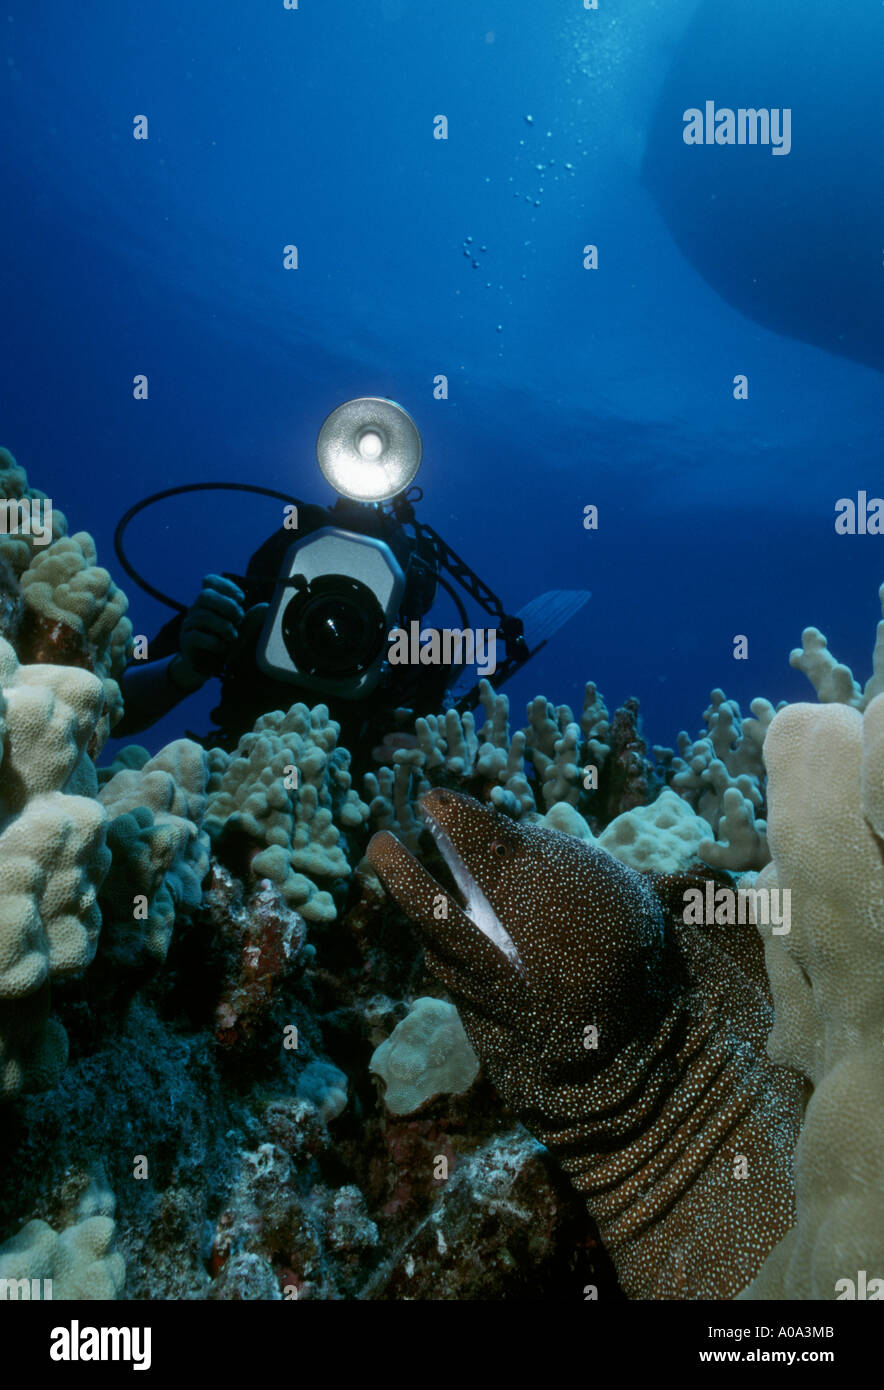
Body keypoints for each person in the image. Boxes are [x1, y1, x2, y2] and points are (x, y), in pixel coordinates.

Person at [116, 497, 453, 760]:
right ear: (285, 564)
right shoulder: (247, 610)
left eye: (373, 583)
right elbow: (113, 714)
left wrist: (428, 749)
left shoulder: (411, 660)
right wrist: (184, 669)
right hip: (232, 776)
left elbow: (447, 769)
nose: (335, 616)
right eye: (324, 569)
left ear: (400, 599)